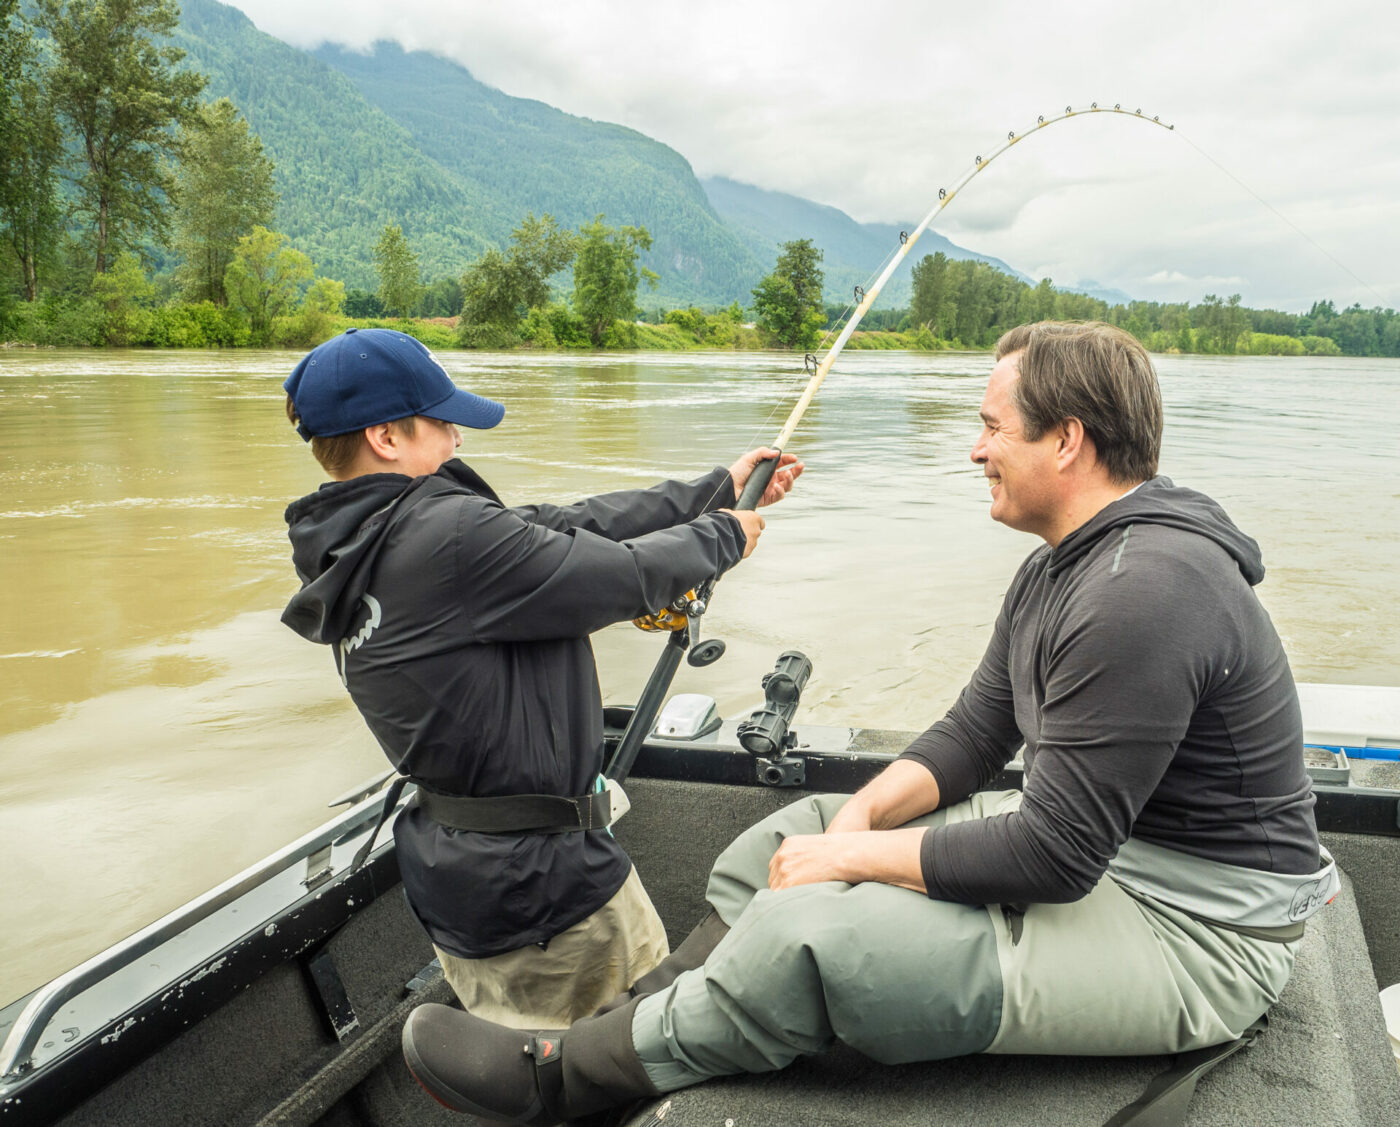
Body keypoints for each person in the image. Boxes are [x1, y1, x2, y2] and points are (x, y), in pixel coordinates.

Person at [398, 320, 1339, 1124]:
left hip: (1201, 929)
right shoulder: (1062, 564)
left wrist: (851, 866)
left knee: (825, 938)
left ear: (1068, 441)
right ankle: (642, 1014)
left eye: (991, 426)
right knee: (791, 829)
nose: (975, 449)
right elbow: (976, 731)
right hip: (1119, 858)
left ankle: (568, 1079)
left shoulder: (1148, 591)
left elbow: (1056, 856)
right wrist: (850, 829)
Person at [280, 327, 802, 1027]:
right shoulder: (449, 537)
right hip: (551, 897)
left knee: (525, 1074)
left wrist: (715, 489)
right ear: (385, 435)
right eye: (441, 420)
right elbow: (620, 577)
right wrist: (726, 534)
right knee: (626, 1062)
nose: (457, 438)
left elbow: (566, 524)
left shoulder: (355, 544)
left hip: (463, 883)